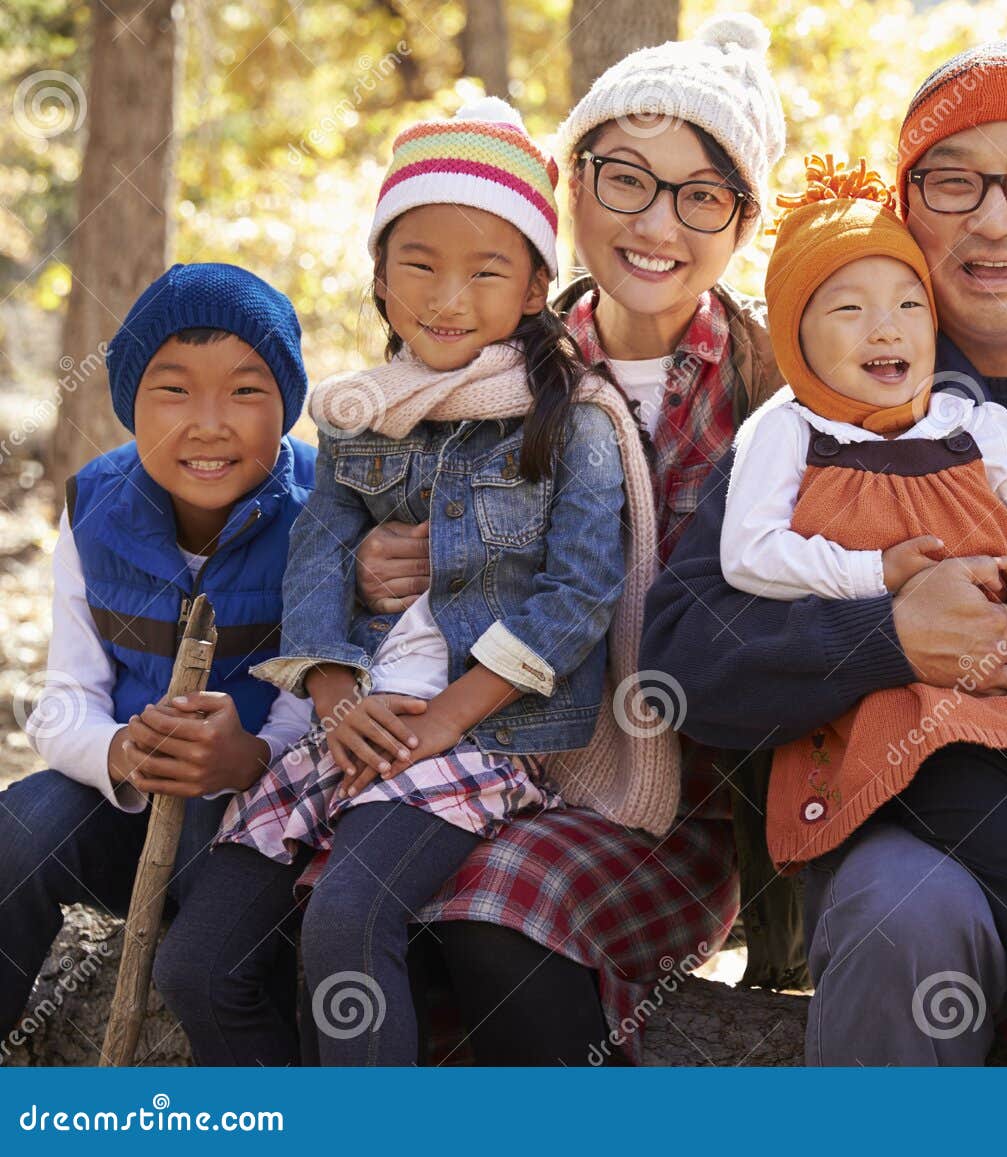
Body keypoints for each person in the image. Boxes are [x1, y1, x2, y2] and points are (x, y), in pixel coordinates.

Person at [352, 21, 1007, 1064]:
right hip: (501, 752)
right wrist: (378, 568)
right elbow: (373, 506)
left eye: (701, 194)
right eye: (624, 177)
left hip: (697, 796)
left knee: (496, 915)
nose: (658, 222)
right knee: (393, 923)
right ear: (567, 183)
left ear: (743, 218)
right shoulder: (505, 364)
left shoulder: (791, 380)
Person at [153, 98, 671, 1066]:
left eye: (485, 269)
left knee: (344, 927)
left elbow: (579, 597)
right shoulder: (357, 416)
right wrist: (337, 695)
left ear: (531, 290)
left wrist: (443, 717)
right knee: (196, 962)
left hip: (483, 730)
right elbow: (316, 560)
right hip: (350, 724)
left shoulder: (574, 422)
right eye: (419, 264)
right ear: (382, 283)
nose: (448, 294)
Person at [722, 155, 1007, 1064]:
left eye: (908, 305)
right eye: (847, 309)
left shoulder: (966, 424)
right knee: (987, 822)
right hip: (892, 711)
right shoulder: (786, 431)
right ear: (794, 336)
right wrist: (878, 575)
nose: (884, 328)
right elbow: (749, 555)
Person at [0, 263, 314, 1033]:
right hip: (128, 807)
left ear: (289, 405)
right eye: (172, 390)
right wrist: (121, 752)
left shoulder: (325, 509)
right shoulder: (94, 508)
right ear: (128, 406)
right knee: (18, 830)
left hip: (269, 817)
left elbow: (333, 699)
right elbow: (64, 698)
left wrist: (252, 759)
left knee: (216, 964)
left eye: (246, 391)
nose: (208, 422)